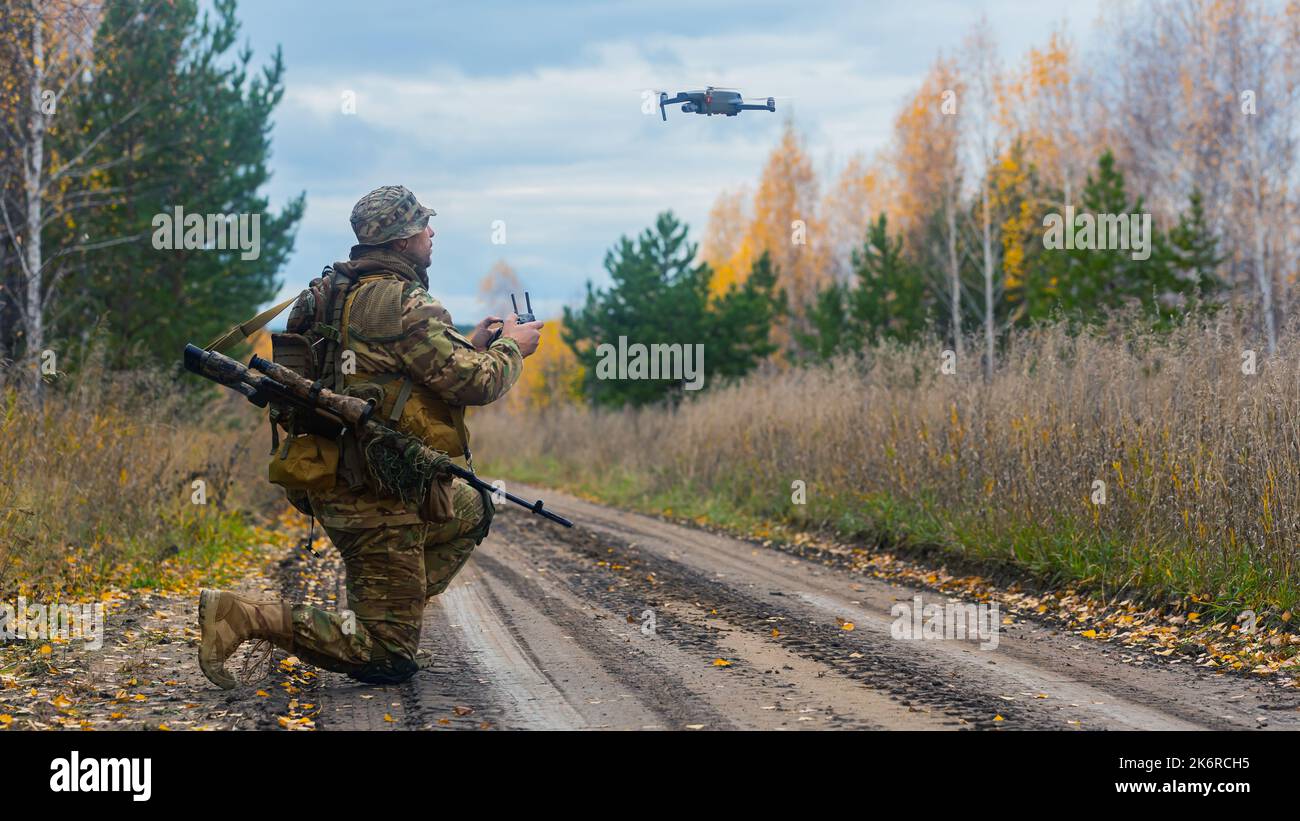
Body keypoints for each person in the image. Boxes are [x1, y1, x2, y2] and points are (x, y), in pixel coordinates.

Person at [198, 185, 542, 688]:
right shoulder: (406, 304)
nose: (432, 233)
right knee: (386, 657)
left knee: (470, 505)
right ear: (402, 241)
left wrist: (470, 346)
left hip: (327, 476)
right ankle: (244, 615)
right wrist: (513, 347)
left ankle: (390, 603)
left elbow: (381, 380)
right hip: (379, 491)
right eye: (424, 226)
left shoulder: (326, 294)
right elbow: (478, 381)